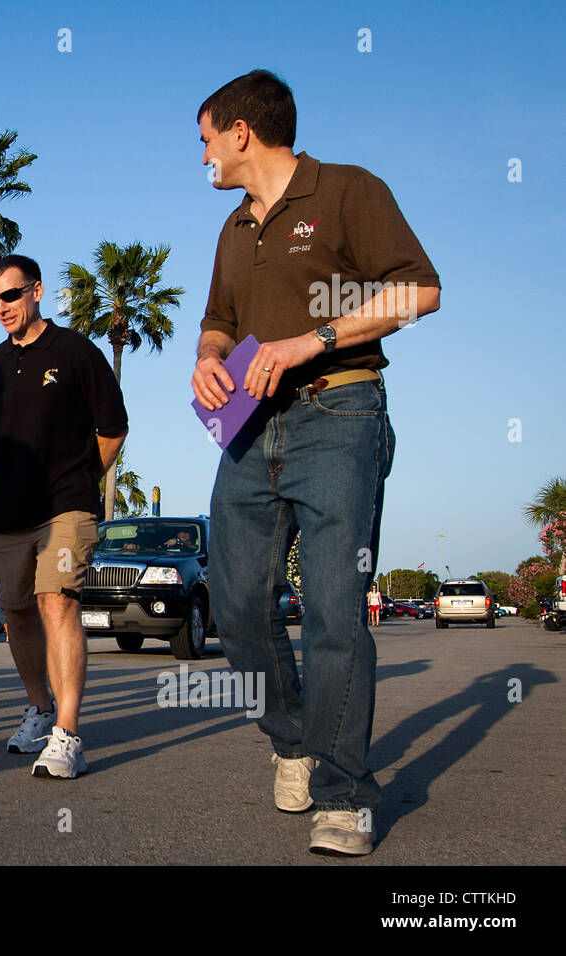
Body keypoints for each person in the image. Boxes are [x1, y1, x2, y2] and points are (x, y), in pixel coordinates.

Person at [191, 70, 440, 853]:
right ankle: (294, 741)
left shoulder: (349, 190)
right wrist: (207, 358)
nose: (202, 154)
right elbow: (219, 323)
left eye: (205, 138)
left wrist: (314, 337)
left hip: (340, 412)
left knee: (334, 608)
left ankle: (343, 792)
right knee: (234, 605)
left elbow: (420, 291)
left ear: (241, 132)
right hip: (247, 426)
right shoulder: (233, 229)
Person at [0, 254, 128, 779]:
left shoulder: (78, 352)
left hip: (66, 505)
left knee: (56, 601)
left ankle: (68, 733)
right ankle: (39, 710)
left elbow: (113, 428)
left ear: (36, 291)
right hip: (6, 512)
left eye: (11, 296)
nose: (2, 307)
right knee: (16, 612)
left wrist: (84, 483)